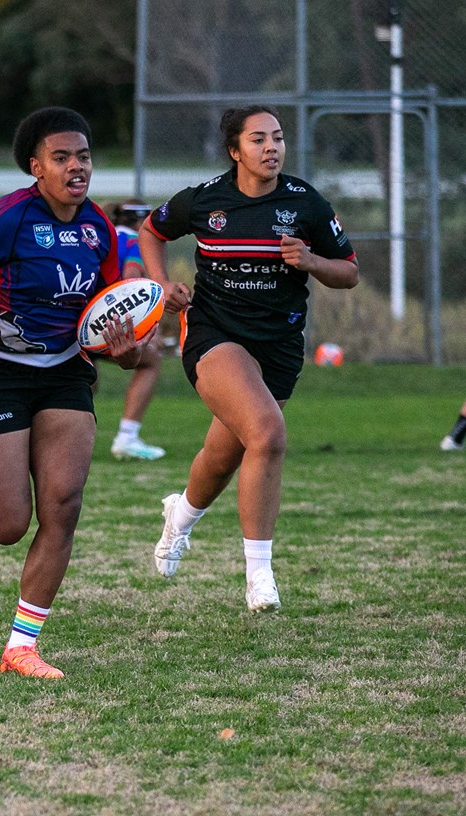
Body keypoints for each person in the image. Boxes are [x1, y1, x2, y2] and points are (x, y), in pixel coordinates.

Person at [0, 106, 150, 679]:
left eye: (84, 156)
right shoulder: (7, 218)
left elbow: (104, 319)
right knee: (7, 527)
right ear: (35, 167)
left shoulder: (98, 228)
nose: (76, 167)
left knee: (63, 506)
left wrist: (126, 351)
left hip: (65, 372)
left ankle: (21, 647)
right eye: (61, 157)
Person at [138, 105, 359, 612]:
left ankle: (179, 517)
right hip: (215, 335)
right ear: (235, 151)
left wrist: (311, 261)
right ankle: (260, 576)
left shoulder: (305, 202)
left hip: (279, 345)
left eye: (277, 137)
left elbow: (349, 272)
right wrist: (159, 282)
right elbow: (152, 230)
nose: (271, 147)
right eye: (258, 139)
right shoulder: (205, 200)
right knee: (267, 433)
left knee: (223, 456)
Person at [98, 199, 167, 461]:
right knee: (151, 361)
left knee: (84, 379)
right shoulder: (133, 241)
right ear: (142, 220)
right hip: (107, 326)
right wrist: (142, 330)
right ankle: (126, 437)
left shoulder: (101, 236)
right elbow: (131, 281)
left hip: (74, 322)